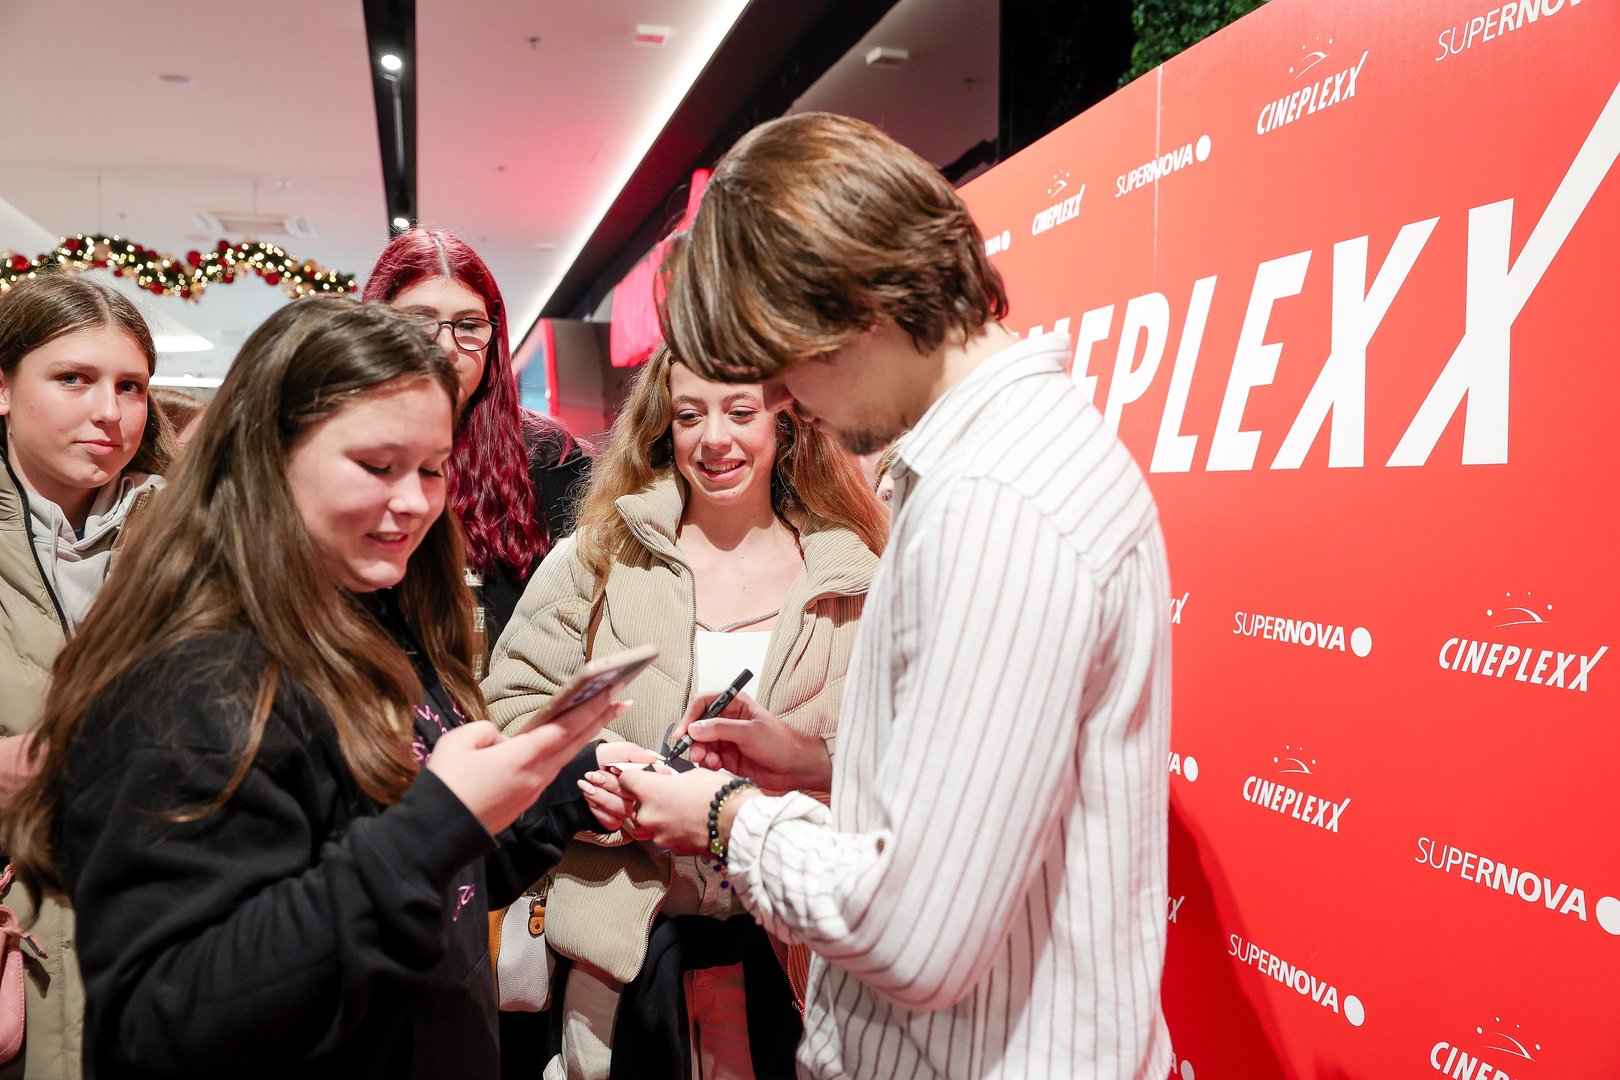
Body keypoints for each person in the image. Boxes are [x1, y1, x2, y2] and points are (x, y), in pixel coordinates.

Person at [609, 112, 1177, 1079]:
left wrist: (725, 816)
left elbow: (913, 931)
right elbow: (985, 800)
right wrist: (823, 764)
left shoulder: (995, 503)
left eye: (778, 362)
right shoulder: (980, 474)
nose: (783, 401)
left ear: (855, 305)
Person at [0, 298, 655, 1080]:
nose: (413, 501)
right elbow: (168, 1016)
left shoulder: (377, 621)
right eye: (377, 467)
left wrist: (558, 792)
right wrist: (436, 823)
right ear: (269, 457)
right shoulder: (189, 678)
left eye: (431, 468)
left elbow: (422, 889)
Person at [482, 341, 886, 1079]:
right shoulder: (595, 559)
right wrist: (598, 775)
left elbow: (891, 761)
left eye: (741, 412)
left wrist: (790, 776)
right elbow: (510, 709)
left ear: (785, 421)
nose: (716, 440)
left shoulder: (854, 575)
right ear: (664, 425)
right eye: (691, 414)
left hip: (804, 964)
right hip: (618, 960)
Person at [0, 272, 175, 1080]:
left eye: (130, 385)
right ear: (3, 387)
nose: (111, 412)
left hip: (155, 950)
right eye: (74, 379)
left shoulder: (189, 543)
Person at [364, 227, 591, 671]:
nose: (446, 346)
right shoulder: (332, 451)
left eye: (468, 325)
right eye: (419, 322)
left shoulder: (550, 459)